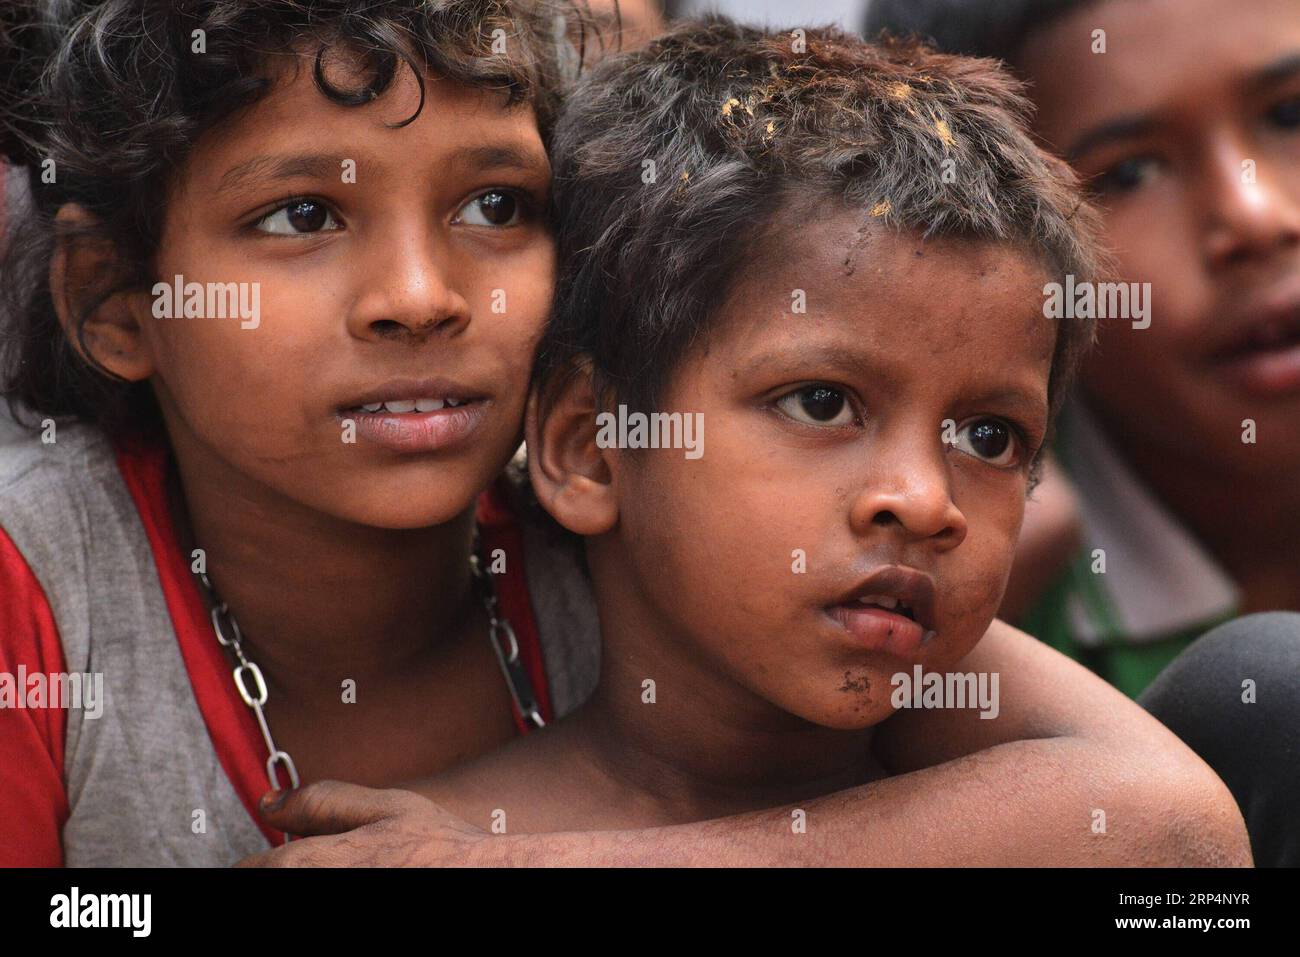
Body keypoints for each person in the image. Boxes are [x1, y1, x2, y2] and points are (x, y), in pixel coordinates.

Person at [243, 19, 1249, 863]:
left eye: (989, 436)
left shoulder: (1021, 825)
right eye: (820, 404)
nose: (923, 499)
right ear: (593, 450)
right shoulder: (417, 849)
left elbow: (1187, 837)